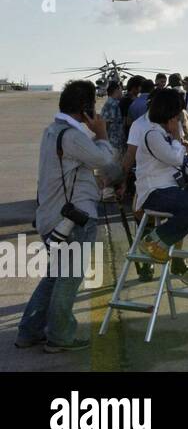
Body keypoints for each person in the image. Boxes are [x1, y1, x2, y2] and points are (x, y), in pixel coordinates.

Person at [17, 80, 118, 352]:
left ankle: (29, 331)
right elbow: (105, 161)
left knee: (54, 276)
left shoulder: (53, 132)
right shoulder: (73, 137)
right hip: (75, 219)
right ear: (85, 109)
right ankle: (60, 336)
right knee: (69, 277)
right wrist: (103, 134)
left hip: (53, 218)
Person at [130, 88, 188, 290]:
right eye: (178, 113)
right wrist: (176, 136)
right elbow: (174, 157)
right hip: (154, 192)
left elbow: (182, 161)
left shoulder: (166, 135)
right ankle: (154, 241)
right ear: (170, 113)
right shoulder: (152, 134)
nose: (181, 117)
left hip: (172, 190)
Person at [102, 80, 126, 153]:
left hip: (115, 143)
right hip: (114, 145)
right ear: (117, 90)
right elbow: (105, 124)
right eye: (121, 90)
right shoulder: (113, 105)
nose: (122, 92)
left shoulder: (111, 103)